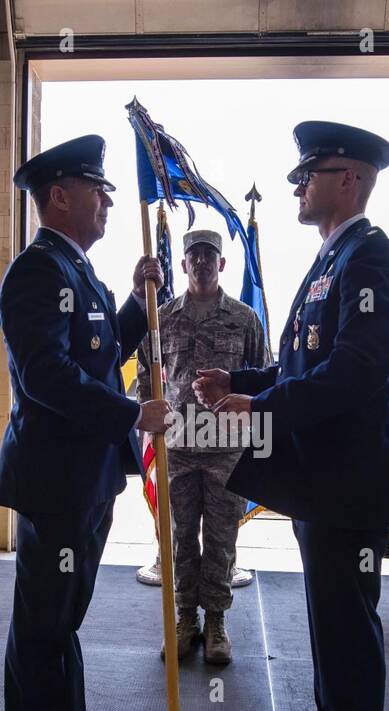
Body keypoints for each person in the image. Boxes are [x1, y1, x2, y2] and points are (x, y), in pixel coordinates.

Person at [194, 121, 389, 711]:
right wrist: (243, 377)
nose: (297, 185)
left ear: (349, 180)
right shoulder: (331, 261)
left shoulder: (371, 260)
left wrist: (256, 408)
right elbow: (303, 366)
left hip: (349, 480)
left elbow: (355, 373)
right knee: (329, 619)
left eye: (309, 174)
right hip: (324, 477)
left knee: (349, 624)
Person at [0, 134, 169, 711]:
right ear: (60, 196)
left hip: (87, 477)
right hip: (55, 477)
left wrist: (134, 299)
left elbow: (102, 350)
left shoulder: (78, 273)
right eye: (99, 192)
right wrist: (132, 413)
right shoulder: (36, 273)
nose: (108, 204)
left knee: (65, 612)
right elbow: (47, 377)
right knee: (42, 619)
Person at [135, 228, 267, 665]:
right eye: (195, 256)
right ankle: (184, 619)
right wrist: (146, 418)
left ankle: (215, 621)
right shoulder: (163, 316)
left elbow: (262, 376)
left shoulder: (245, 318)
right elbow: (144, 376)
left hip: (226, 447)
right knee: (178, 538)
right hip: (178, 447)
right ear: (184, 263)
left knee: (222, 539)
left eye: (211, 255)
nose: (202, 262)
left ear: (222, 263)